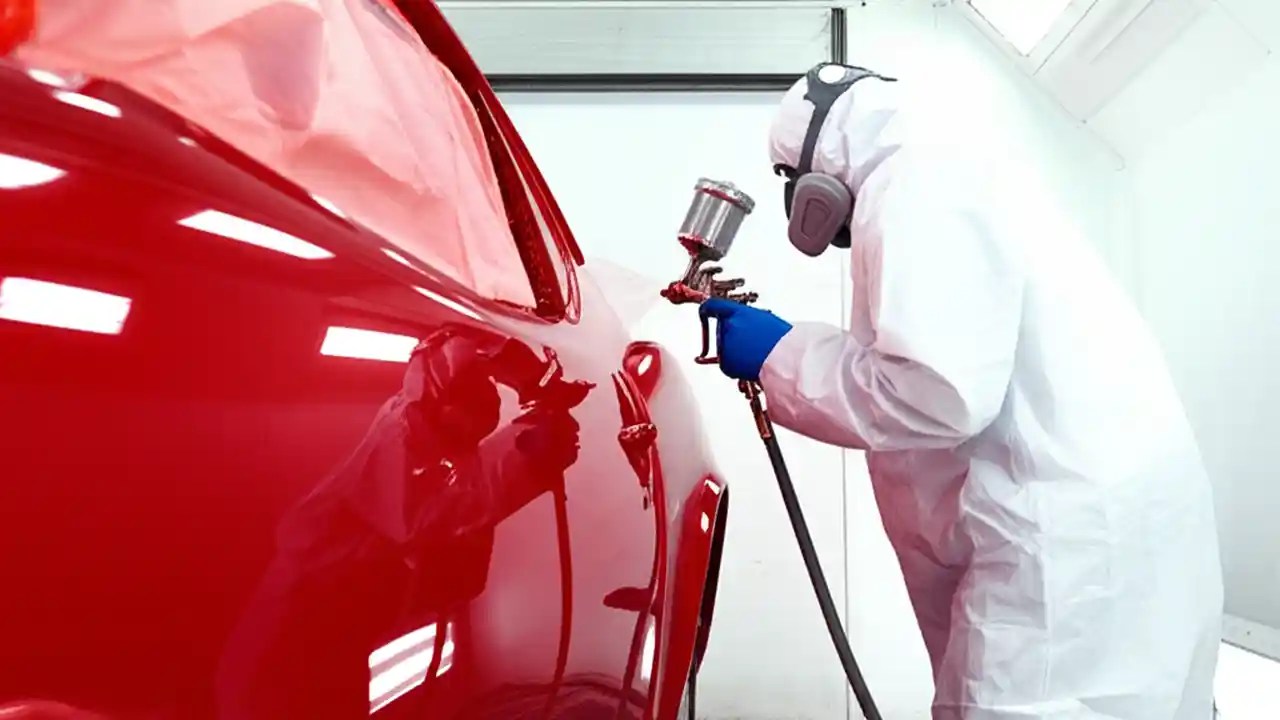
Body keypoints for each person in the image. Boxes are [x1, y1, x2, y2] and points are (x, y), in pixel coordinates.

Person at [700, 63, 1223, 719]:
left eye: (787, 181)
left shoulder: (917, 178)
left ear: (814, 173)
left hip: (1060, 561)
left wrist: (781, 352)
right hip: (1103, 534)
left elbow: (936, 392)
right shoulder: (948, 158)